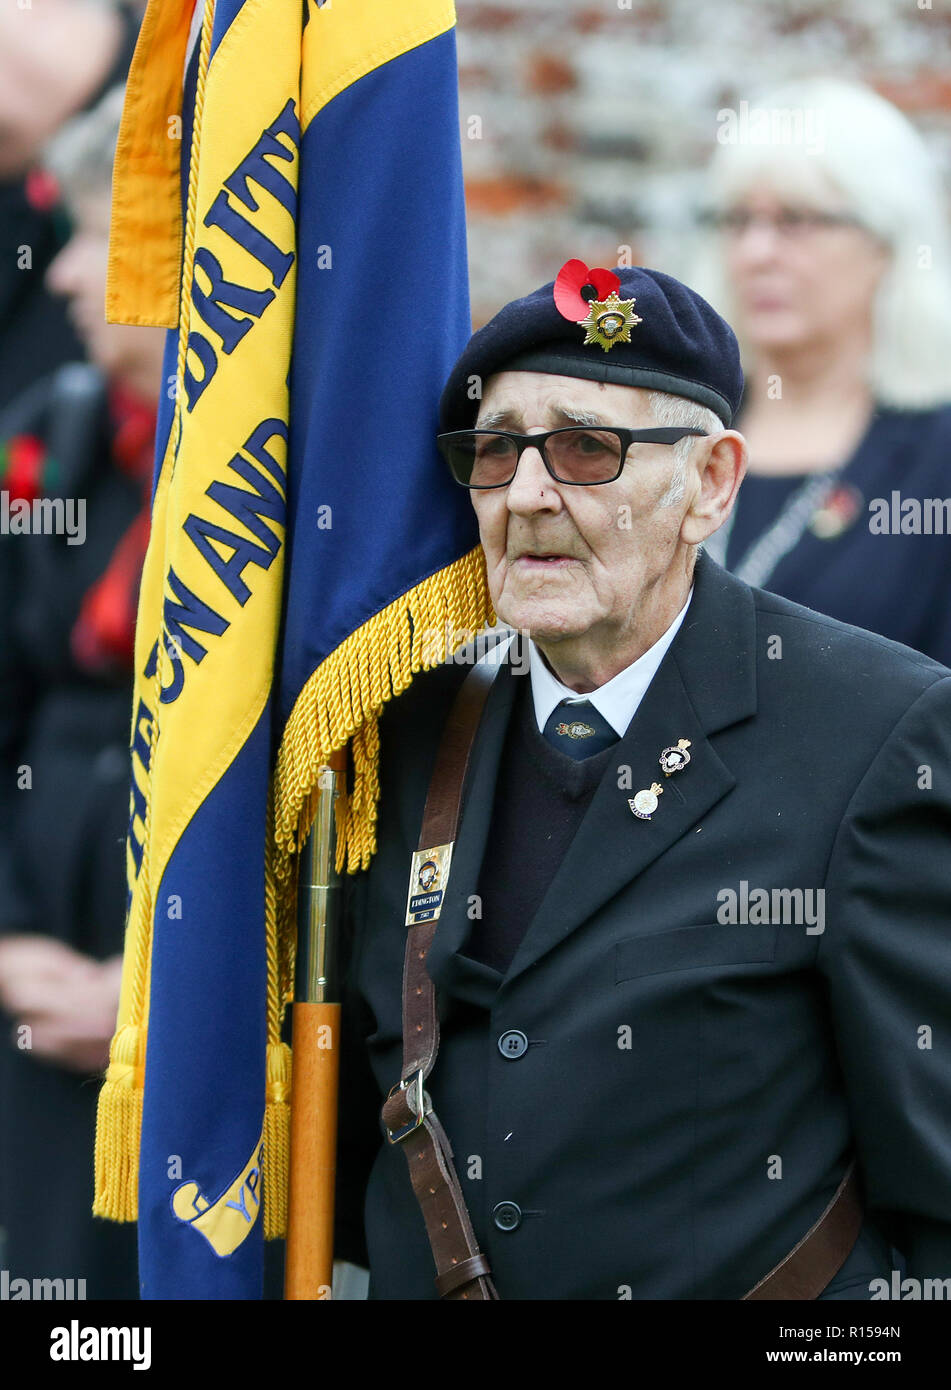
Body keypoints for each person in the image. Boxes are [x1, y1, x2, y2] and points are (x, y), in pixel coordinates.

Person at [332, 258, 951, 1300]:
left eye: (585, 449)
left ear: (710, 483)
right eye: (496, 451)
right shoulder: (399, 733)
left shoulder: (873, 730)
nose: (527, 495)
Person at [0, 85, 163, 1299]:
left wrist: (164, 988)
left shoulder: (312, 479)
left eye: (96, 237)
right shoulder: (47, 441)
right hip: (27, 963)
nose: (60, 281)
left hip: (202, 1009)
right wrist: (4, 947)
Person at [687, 78, 951, 667]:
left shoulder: (938, 455)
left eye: (797, 221)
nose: (756, 253)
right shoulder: (680, 429)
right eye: (737, 220)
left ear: (886, 244)